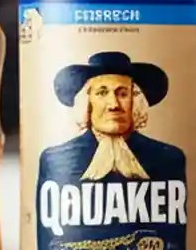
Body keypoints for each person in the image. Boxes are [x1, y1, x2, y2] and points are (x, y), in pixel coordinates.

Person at [37, 51, 185, 185]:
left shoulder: (168, 159)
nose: (114, 105)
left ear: (135, 101)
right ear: (87, 102)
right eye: (102, 93)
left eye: (123, 94)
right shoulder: (55, 159)